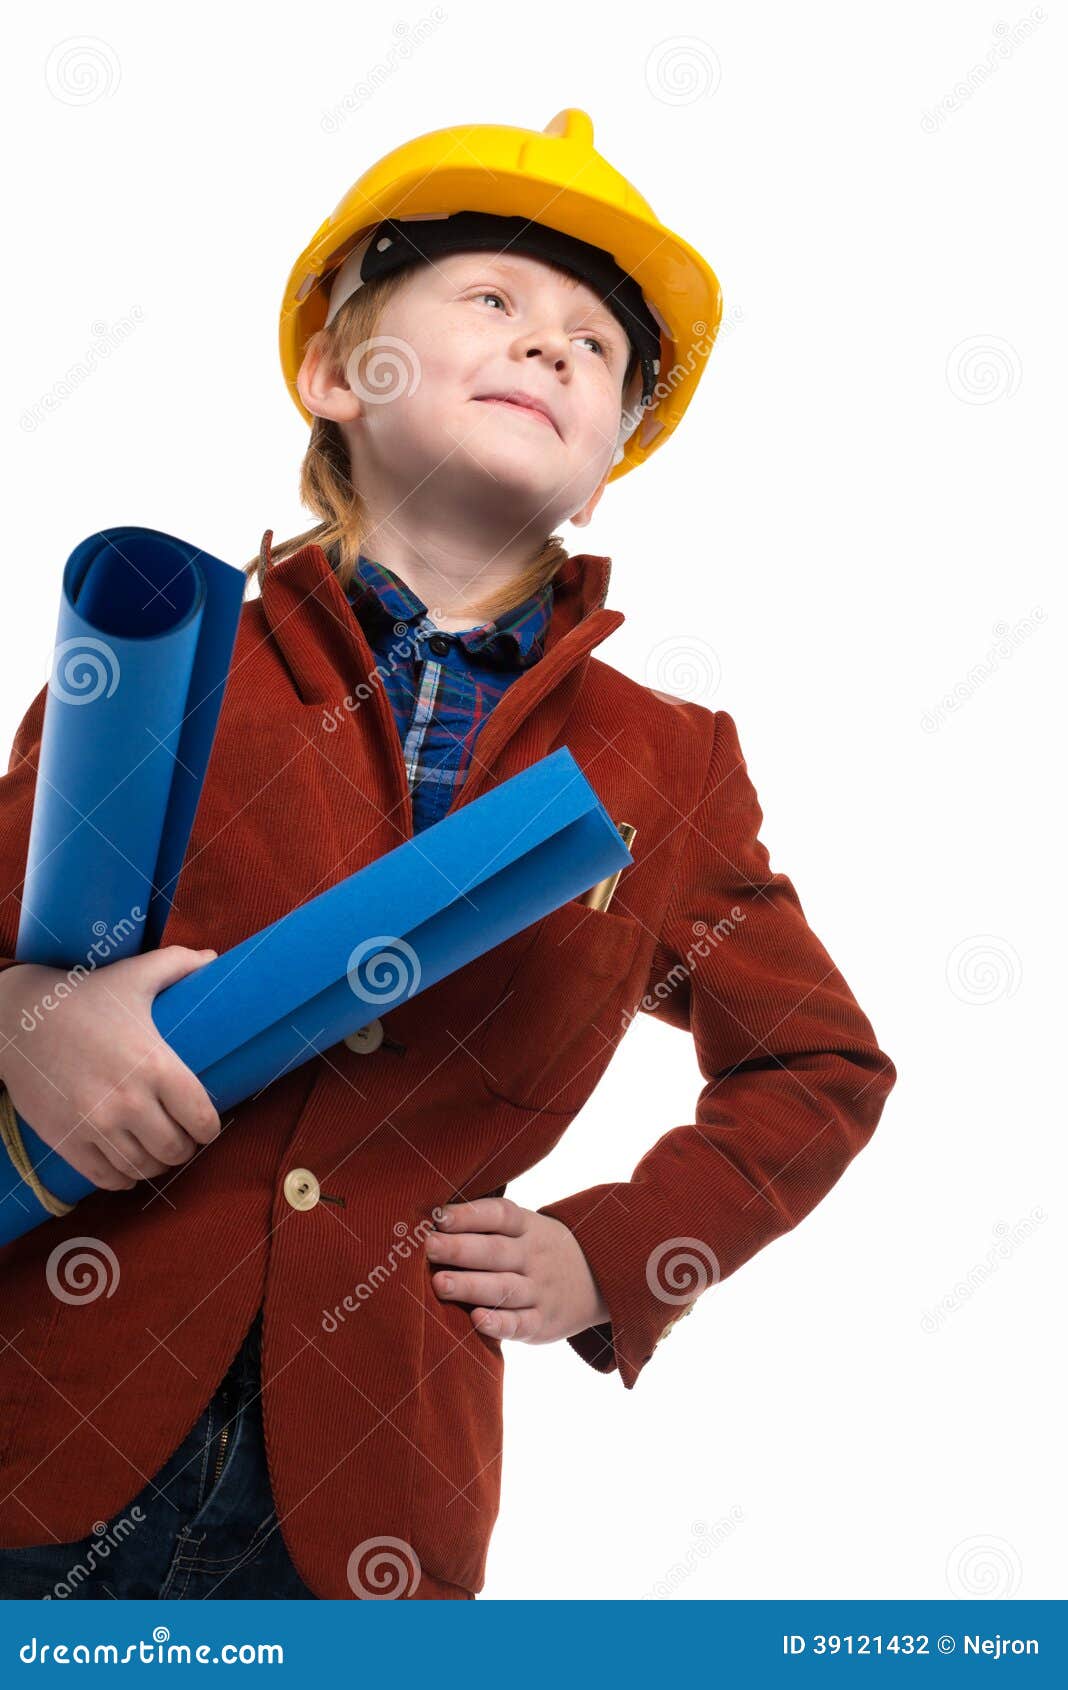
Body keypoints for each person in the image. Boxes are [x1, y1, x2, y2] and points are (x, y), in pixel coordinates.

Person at [0, 108, 896, 1600]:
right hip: (40, 1429)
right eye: (492, 299)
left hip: (370, 1502)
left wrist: (618, 1255)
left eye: (597, 347)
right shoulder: (158, 659)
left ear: (610, 464)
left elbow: (820, 1067)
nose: (551, 346)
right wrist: (29, 1022)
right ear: (338, 374)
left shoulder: (664, 765)